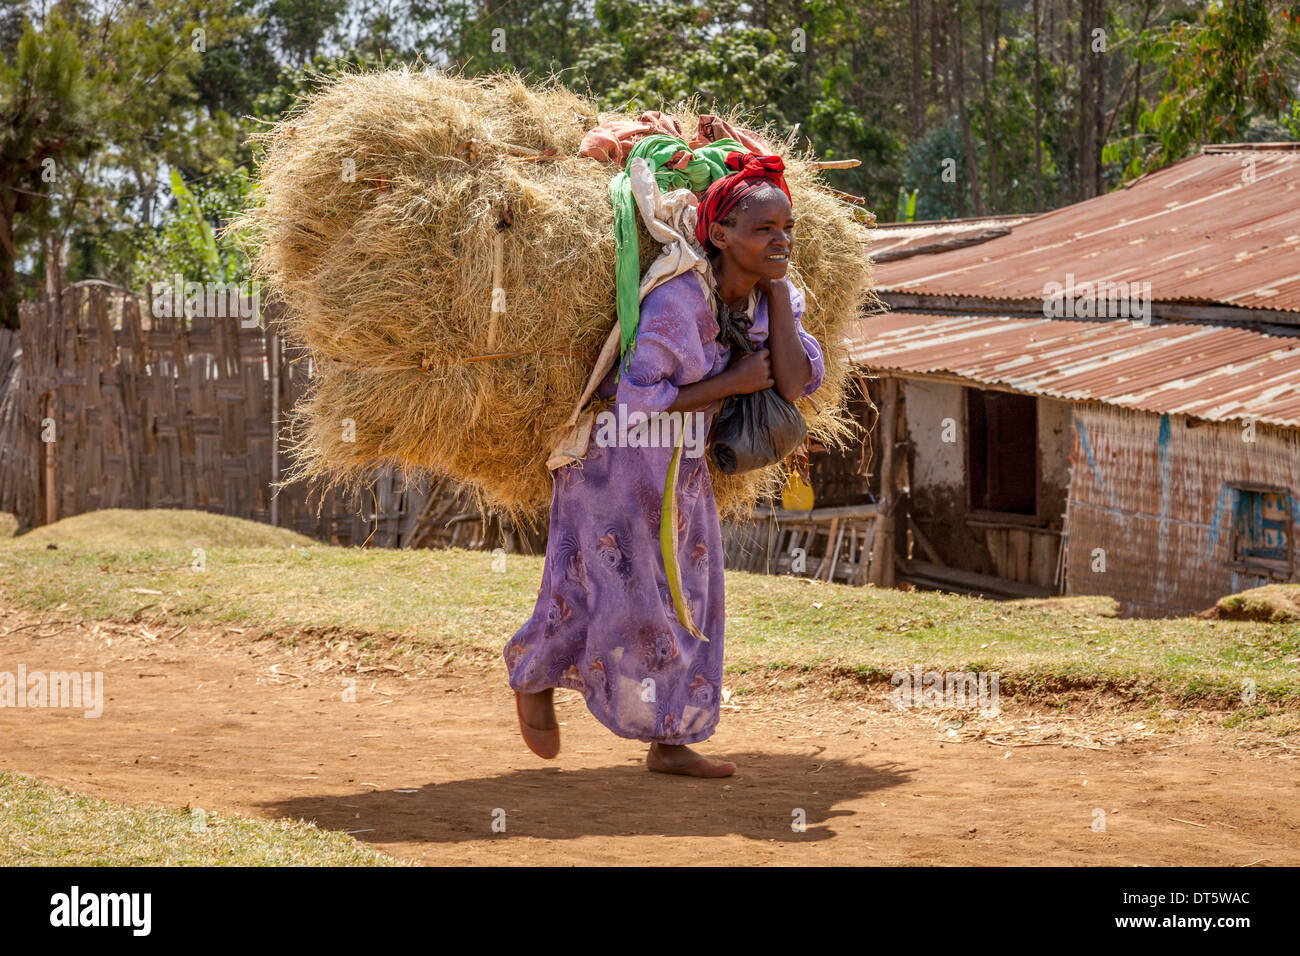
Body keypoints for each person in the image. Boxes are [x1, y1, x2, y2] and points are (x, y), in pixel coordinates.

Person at [503, 151, 825, 777]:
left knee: (692, 600)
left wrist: (781, 291)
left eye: (787, 229)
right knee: (610, 594)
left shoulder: (764, 302)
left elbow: (792, 380)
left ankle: (670, 738)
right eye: (764, 230)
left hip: (681, 467)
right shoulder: (679, 301)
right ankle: (532, 674)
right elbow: (637, 396)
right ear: (721, 235)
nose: (780, 240)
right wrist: (728, 383)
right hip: (614, 465)